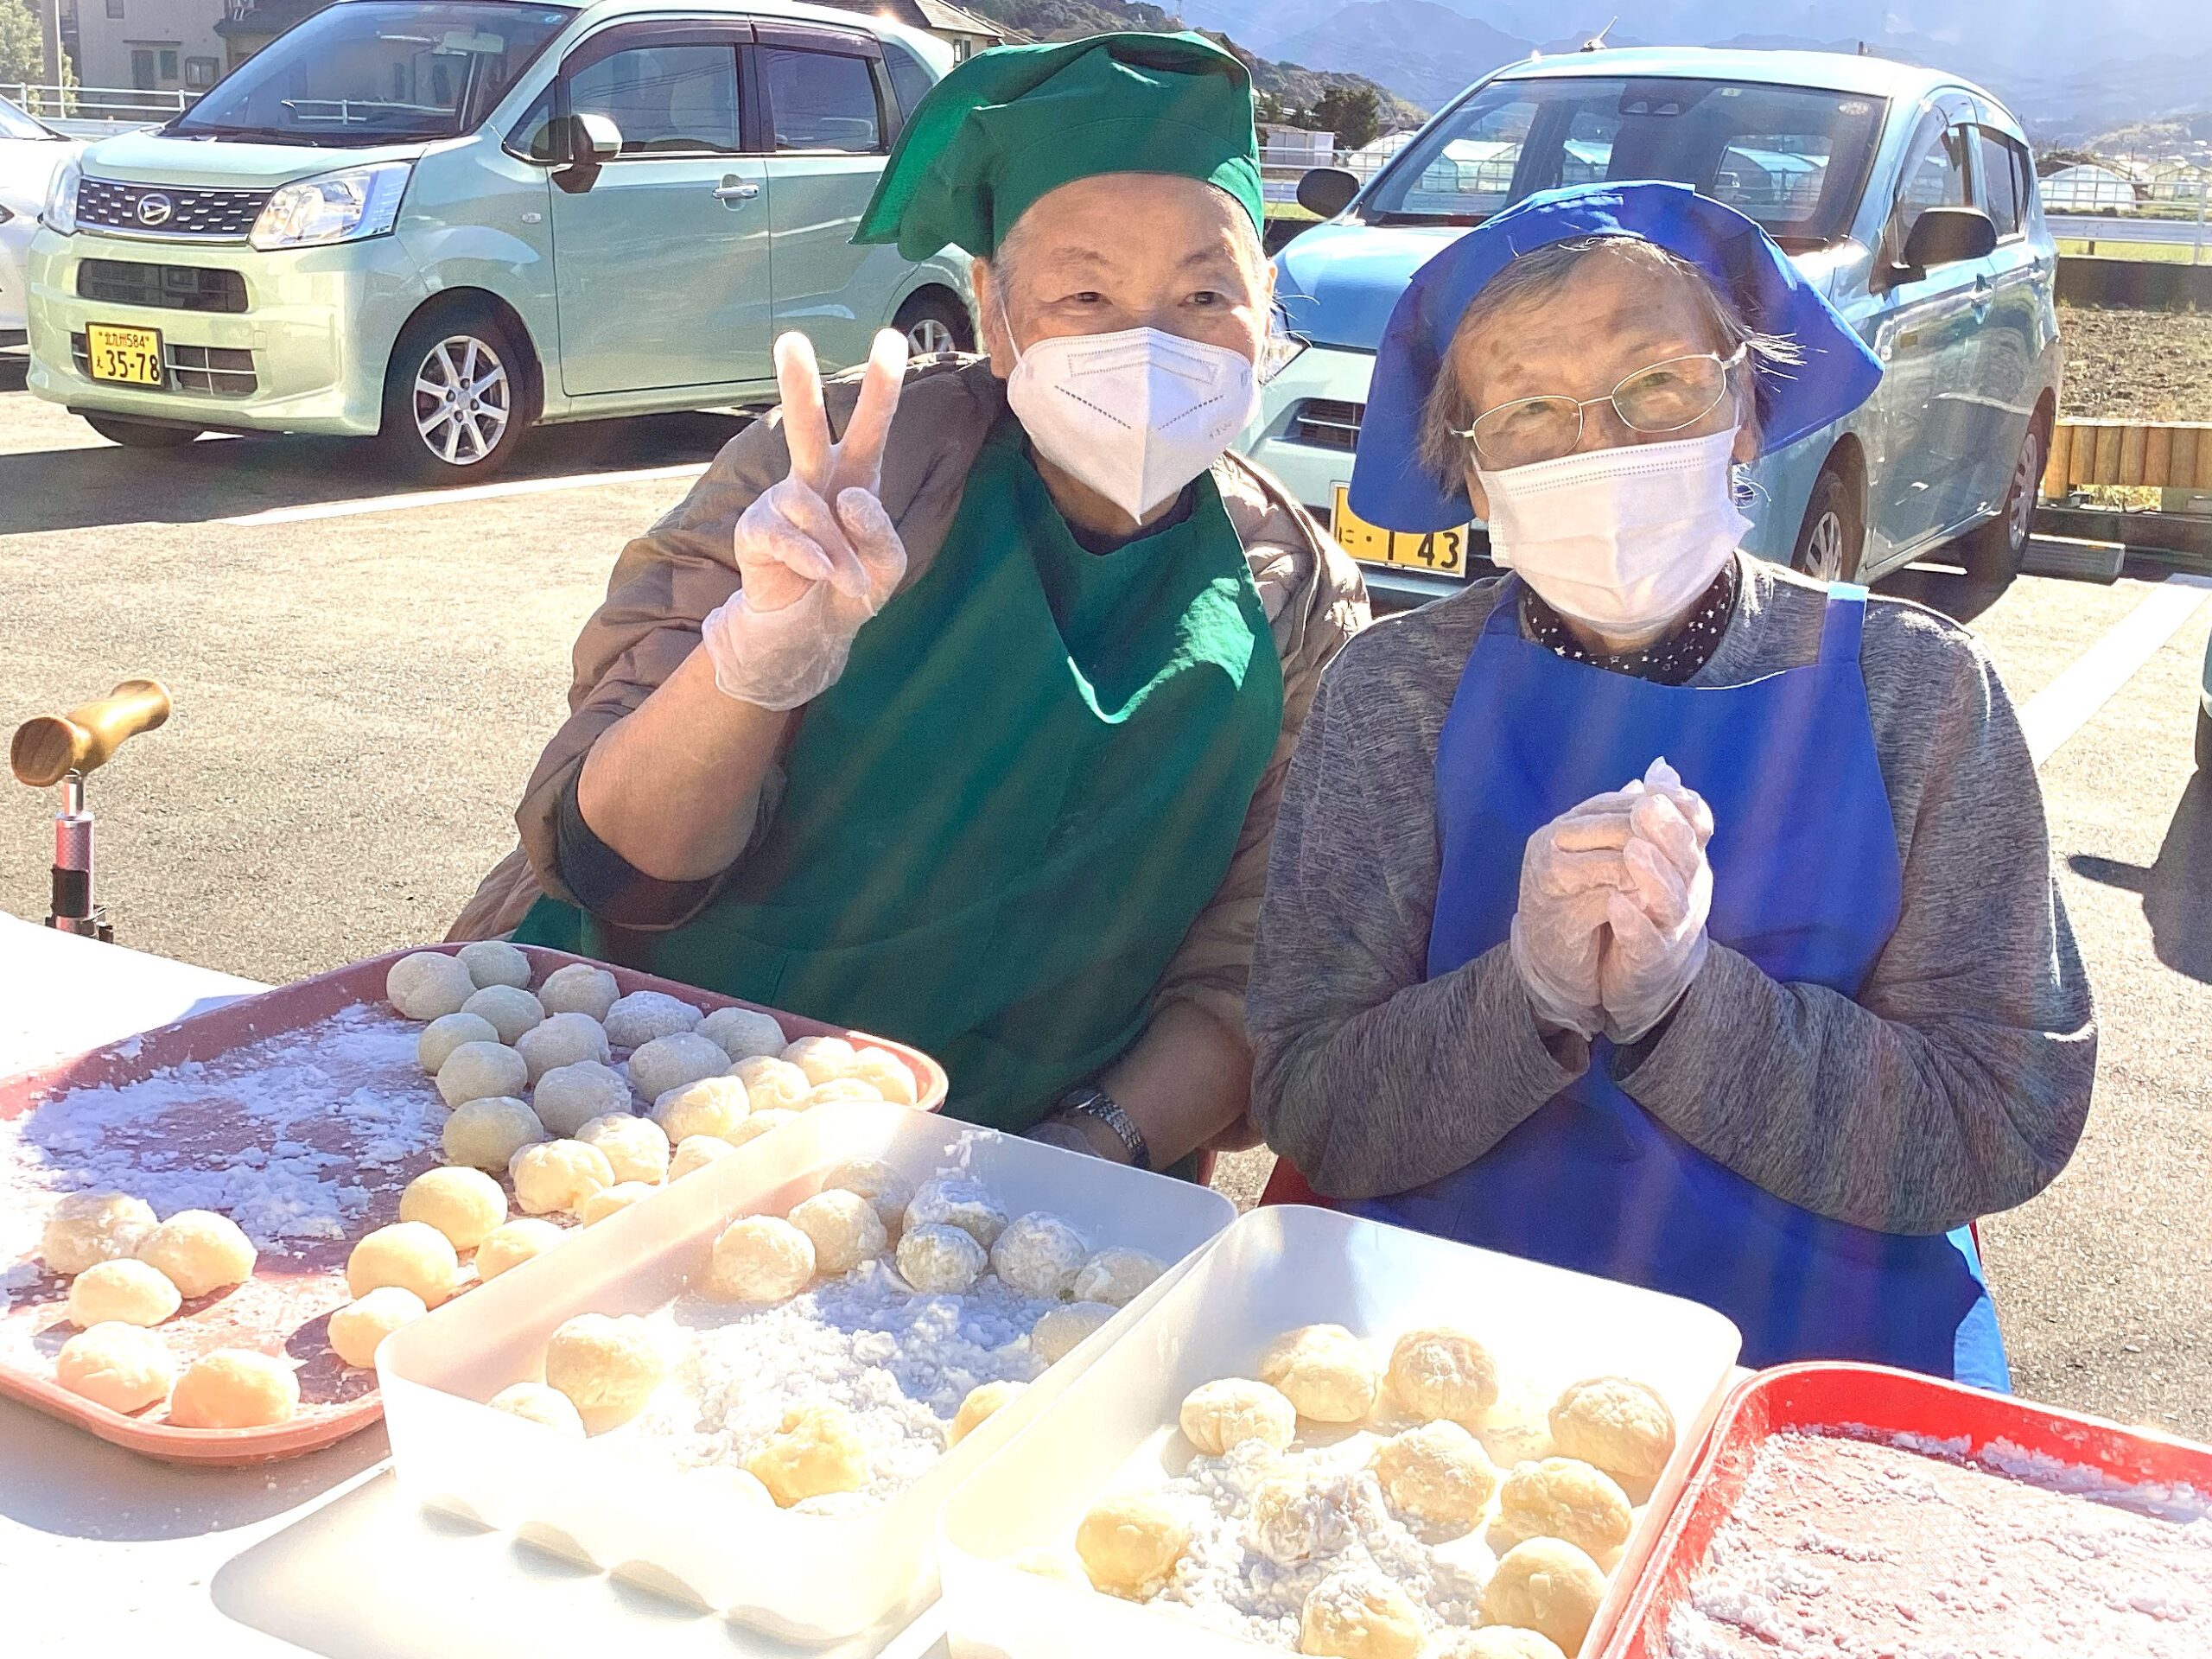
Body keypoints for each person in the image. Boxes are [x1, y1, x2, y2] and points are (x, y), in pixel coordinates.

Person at [453, 33, 1367, 1175]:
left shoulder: (1299, 589)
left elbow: (1251, 958)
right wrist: (752, 665)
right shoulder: (831, 478)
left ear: (1266, 300)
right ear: (994, 308)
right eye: (1086, 291)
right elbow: (613, 861)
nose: (1150, 342)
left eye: (1204, 291)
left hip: (1029, 1171)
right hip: (629, 1101)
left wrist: (1076, 1154)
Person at [1245, 182, 2094, 1389]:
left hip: (1814, 1368)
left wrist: (1692, 1008)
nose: (1602, 447)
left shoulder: (1924, 696)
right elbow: (1317, 1104)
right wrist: (1527, 991)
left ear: (1747, 411)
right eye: (1530, 411)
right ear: (1475, 482)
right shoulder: (1394, 696)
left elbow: (2000, 1119)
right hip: (1443, 1353)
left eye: (1658, 386)